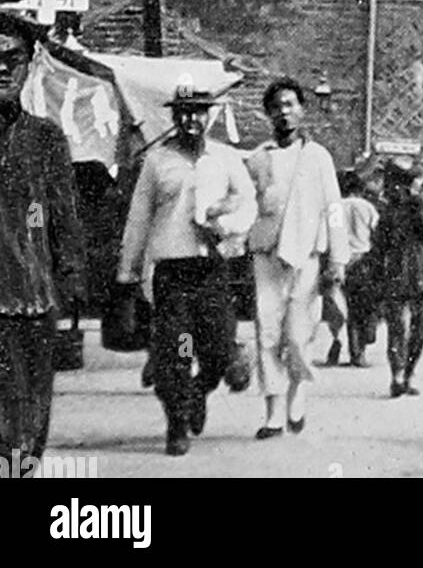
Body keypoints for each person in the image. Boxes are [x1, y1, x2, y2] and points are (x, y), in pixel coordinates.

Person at [117, 85, 257, 456]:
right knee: (179, 350)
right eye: (183, 112)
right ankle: (177, 422)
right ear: (174, 117)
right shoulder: (157, 161)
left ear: (208, 116)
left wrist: (225, 226)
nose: (191, 120)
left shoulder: (225, 158)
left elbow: (248, 206)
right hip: (174, 276)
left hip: (212, 271)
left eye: (198, 112)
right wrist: (128, 273)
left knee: (217, 350)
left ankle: (199, 391)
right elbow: (138, 218)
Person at [0, 15, 85, 473]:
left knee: (27, 428)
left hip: (31, 301)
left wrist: (71, 277)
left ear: (30, 64)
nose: (0, 70)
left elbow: (64, 218)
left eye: (11, 59)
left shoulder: (45, 139)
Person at [245, 78, 348, 438]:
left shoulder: (318, 157)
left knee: (298, 334)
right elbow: (247, 205)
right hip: (268, 257)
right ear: (268, 114)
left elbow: (334, 209)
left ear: (302, 110)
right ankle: (274, 412)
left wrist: (338, 257)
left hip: (306, 257)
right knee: (267, 332)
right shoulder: (258, 159)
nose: (284, 113)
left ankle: (298, 393)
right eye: (277, 107)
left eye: (290, 105)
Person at [371, 159, 423, 397]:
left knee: (418, 326)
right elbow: (379, 244)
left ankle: (407, 373)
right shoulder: (388, 212)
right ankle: (398, 375)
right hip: (398, 269)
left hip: (421, 270)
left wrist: (420, 212)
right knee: (398, 326)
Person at [339, 169, 380, 367]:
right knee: (366, 307)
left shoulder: (335, 207)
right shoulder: (368, 207)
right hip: (364, 260)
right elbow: (377, 232)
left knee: (350, 310)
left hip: (342, 259)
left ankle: (354, 352)